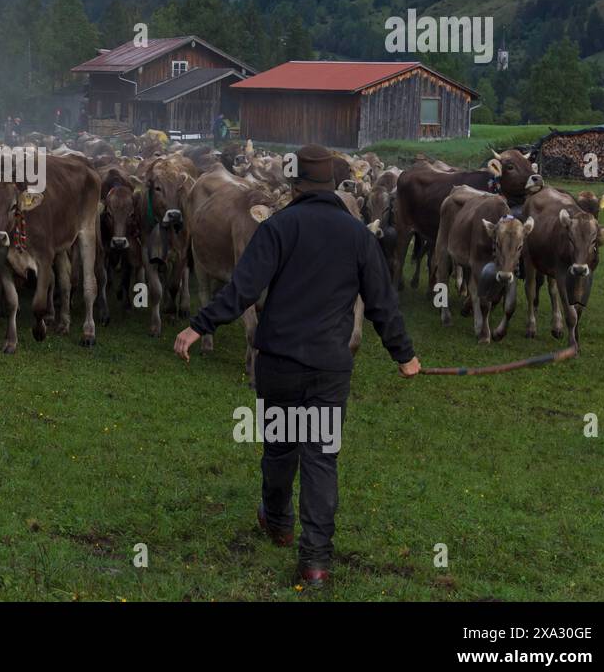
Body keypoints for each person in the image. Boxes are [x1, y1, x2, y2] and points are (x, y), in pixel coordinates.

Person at [172, 144, 420, 590]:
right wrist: (404, 355)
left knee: (281, 447)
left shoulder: (278, 227)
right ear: (331, 183)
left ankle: (280, 522)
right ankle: (316, 562)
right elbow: (383, 303)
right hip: (329, 366)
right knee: (321, 459)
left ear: (295, 184)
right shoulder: (358, 235)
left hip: (280, 364)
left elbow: (242, 288)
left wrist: (199, 325)